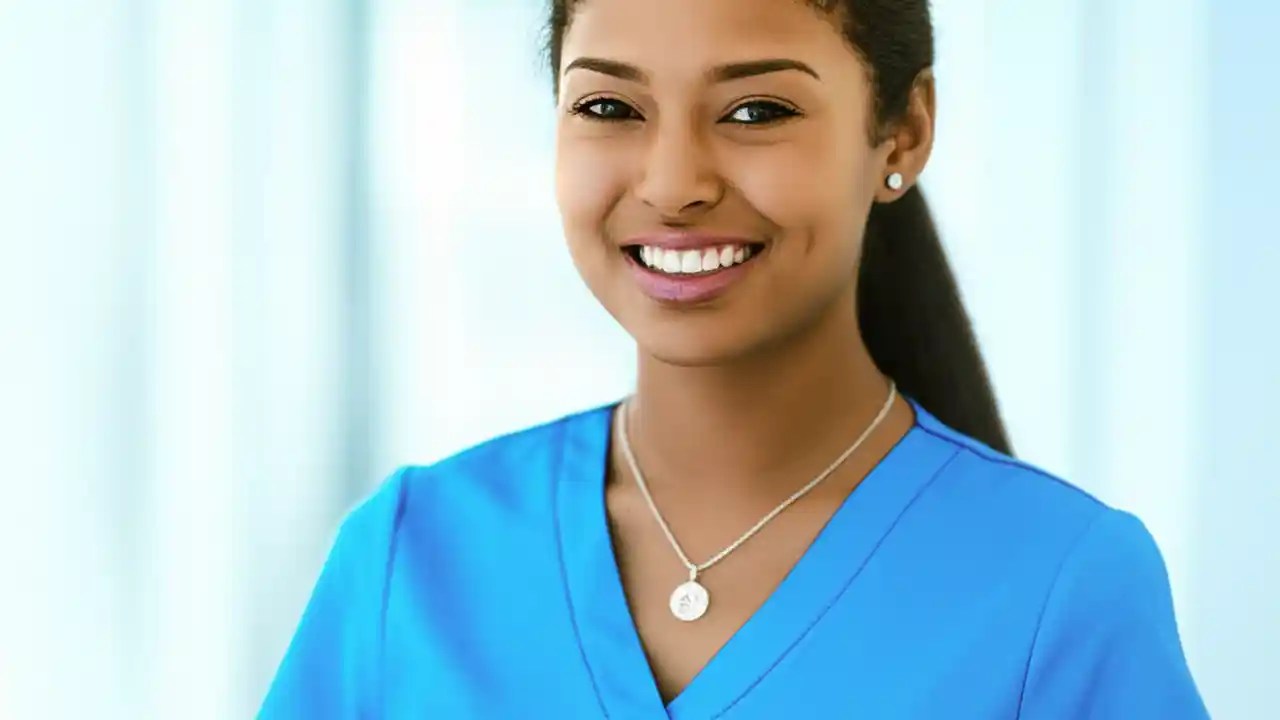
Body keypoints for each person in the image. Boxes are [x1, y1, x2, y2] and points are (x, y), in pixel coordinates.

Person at [260, 0, 1210, 717]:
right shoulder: (409, 559)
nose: (674, 185)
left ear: (904, 131)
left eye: (756, 111)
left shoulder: (1062, 585)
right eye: (608, 104)